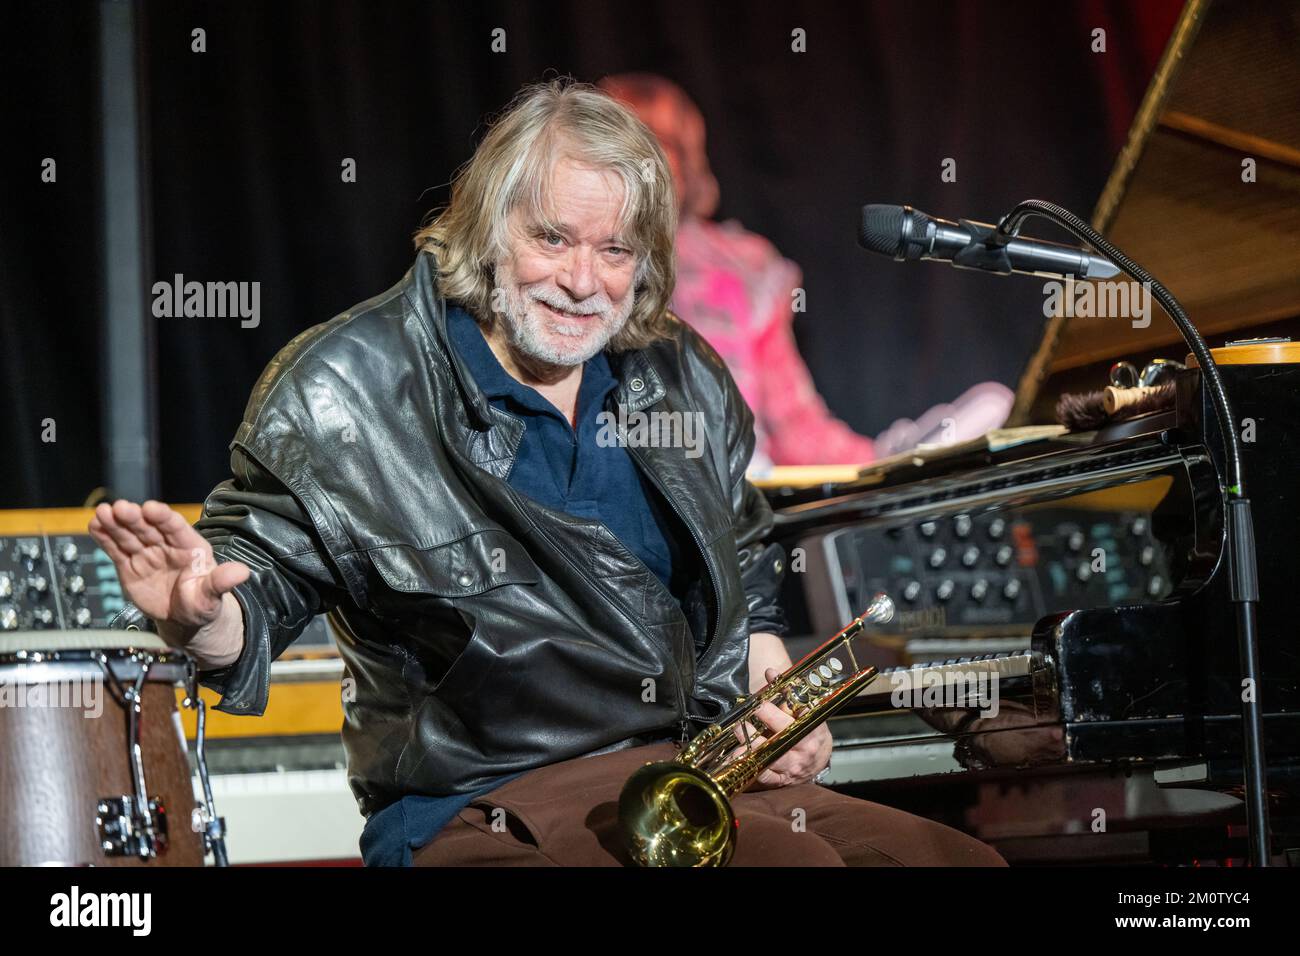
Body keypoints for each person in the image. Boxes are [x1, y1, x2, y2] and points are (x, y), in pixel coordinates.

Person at [89, 79, 1004, 867]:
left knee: (959, 858)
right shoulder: (347, 388)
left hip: (689, 773)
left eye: (616, 251)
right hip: (482, 794)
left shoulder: (679, 368)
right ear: (488, 229)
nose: (584, 281)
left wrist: (764, 685)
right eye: (554, 239)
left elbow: (747, 552)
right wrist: (195, 618)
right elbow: (259, 592)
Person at [598, 73, 1014, 470]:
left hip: (745, 470)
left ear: (689, 161)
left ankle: (891, 463)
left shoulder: (743, 265)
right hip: (642, 466)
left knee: (991, 400)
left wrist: (869, 463)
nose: (650, 158)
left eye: (665, 142)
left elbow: (792, 418)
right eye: (633, 142)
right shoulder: (580, 259)